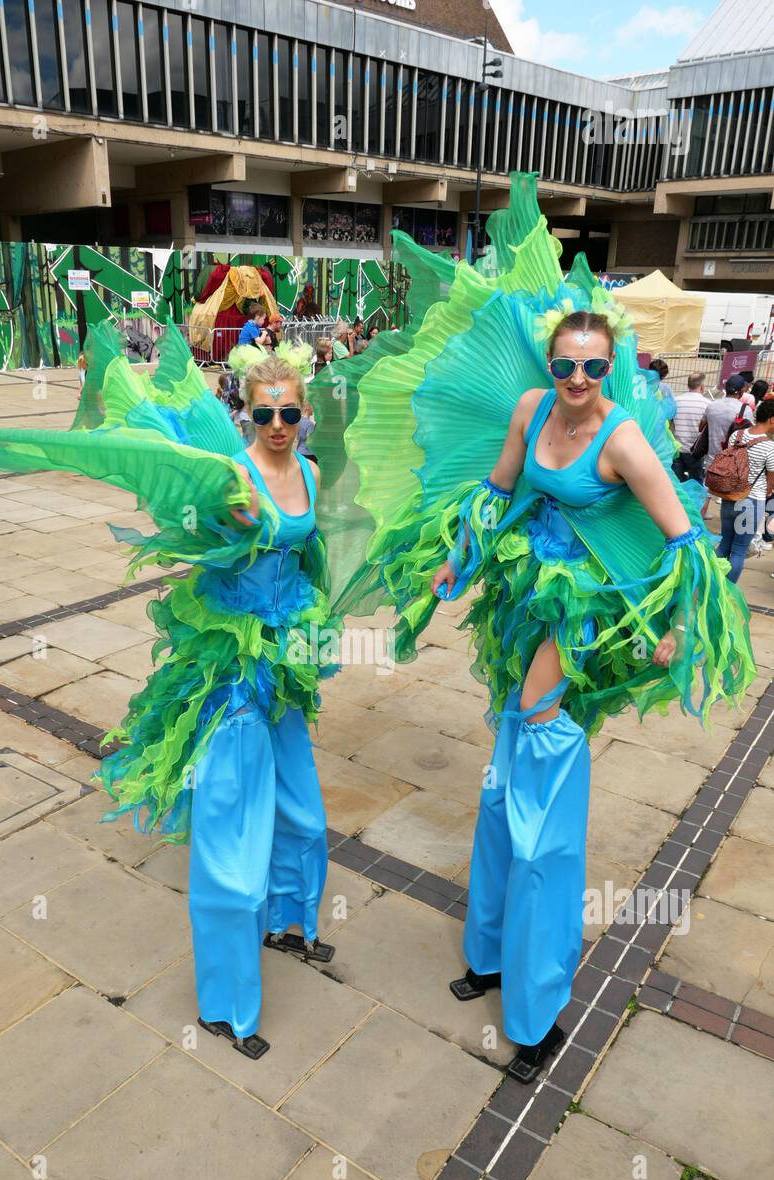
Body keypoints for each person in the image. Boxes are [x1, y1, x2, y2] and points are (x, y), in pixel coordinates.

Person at [316, 172, 755, 1086]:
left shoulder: (626, 439)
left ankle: (540, 1008)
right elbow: (496, 492)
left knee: (545, 781)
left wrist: (676, 627)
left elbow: (685, 542)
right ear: (549, 366)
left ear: (614, 365)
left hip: (585, 608)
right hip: (522, 598)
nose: (582, 381)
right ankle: (488, 955)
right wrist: (454, 562)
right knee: (501, 777)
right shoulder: (529, 409)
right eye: (567, 367)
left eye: (597, 368)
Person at [0, 327, 342, 1062]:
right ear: (242, 412)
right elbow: (194, 533)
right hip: (229, 674)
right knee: (231, 838)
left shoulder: (311, 473)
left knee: (301, 809)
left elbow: (312, 558)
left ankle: (291, 922)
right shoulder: (229, 481)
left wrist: (313, 626)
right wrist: (219, 527)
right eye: (262, 413)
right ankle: (225, 1006)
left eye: (288, 414)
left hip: (284, 667)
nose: (276, 426)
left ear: (305, 417)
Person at [716, 398, 774, 581]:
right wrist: (767, 492)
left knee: (724, 544)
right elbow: (771, 482)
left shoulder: (737, 435)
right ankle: (728, 591)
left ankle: (713, 583)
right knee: (739, 551)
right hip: (751, 503)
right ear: (772, 419)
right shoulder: (770, 446)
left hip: (729, 497)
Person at [672, 372, 708, 450]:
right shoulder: (707, 404)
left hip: (677, 448)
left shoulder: (676, 400)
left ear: (688, 385)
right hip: (695, 450)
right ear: (702, 386)